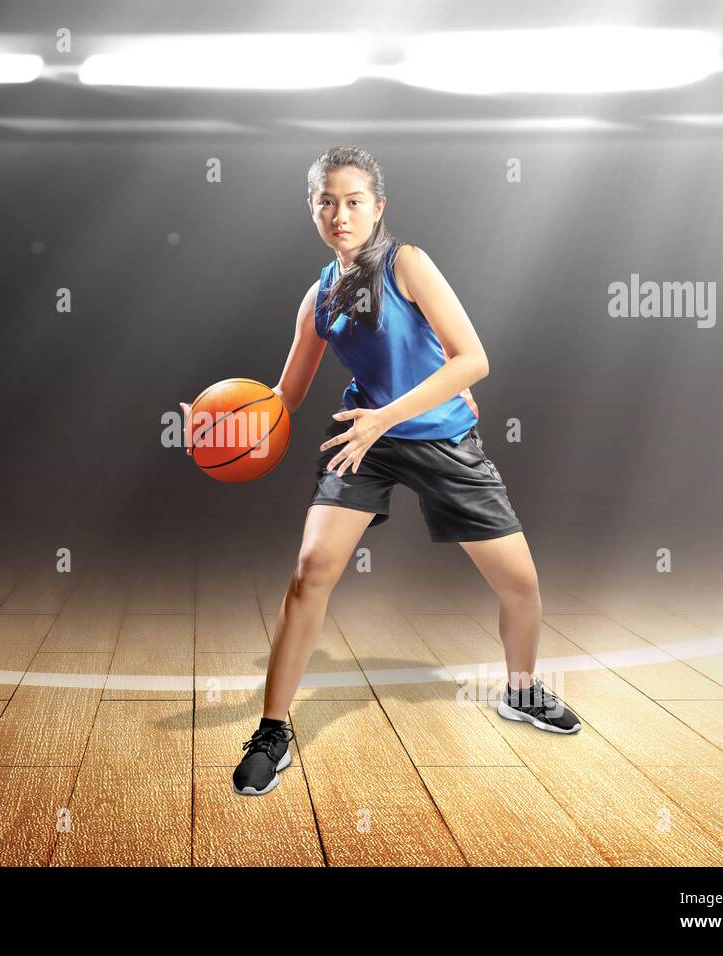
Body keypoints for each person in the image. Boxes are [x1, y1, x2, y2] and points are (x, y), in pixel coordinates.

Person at [182, 146, 582, 798]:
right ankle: (272, 731)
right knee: (310, 572)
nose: (340, 213)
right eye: (327, 201)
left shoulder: (410, 264)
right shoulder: (319, 295)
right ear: (312, 208)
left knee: (521, 584)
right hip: (365, 440)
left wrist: (385, 416)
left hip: (438, 433)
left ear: (378, 208)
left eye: (354, 200)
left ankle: (522, 690)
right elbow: (285, 396)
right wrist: (223, 422)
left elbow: (472, 359)